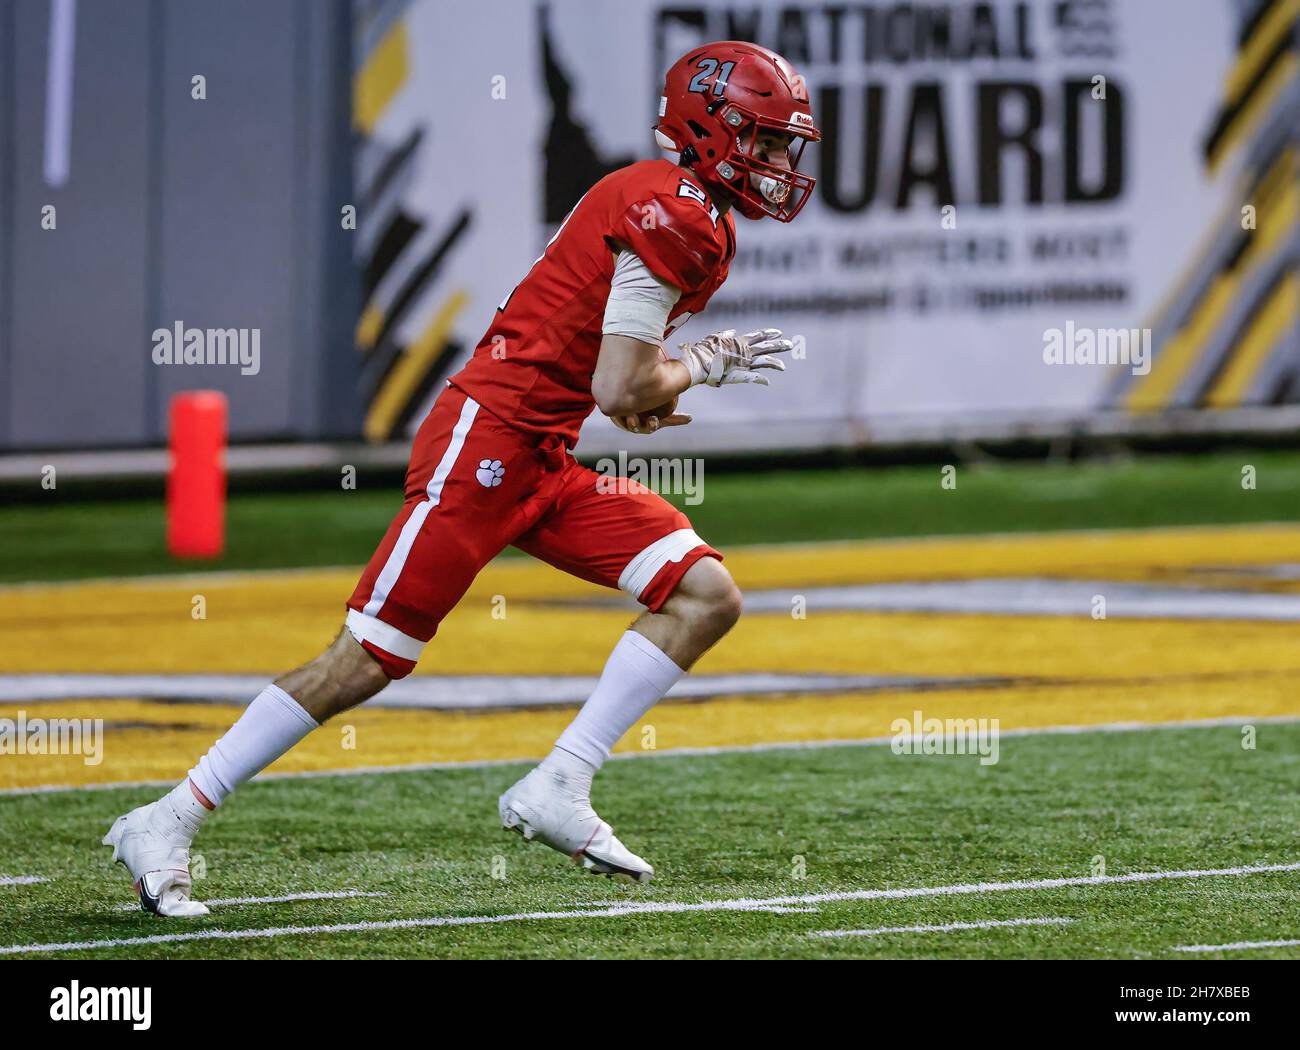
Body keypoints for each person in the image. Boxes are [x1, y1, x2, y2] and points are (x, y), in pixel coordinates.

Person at [103, 40, 820, 915]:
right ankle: (168, 817)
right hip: (484, 445)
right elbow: (623, 385)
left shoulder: (682, 207)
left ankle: (559, 783)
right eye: (770, 141)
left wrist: (649, 392)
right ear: (717, 131)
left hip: (541, 454)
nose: (782, 164)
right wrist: (700, 366)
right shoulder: (675, 209)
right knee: (367, 659)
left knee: (705, 594)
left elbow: (615, 387)